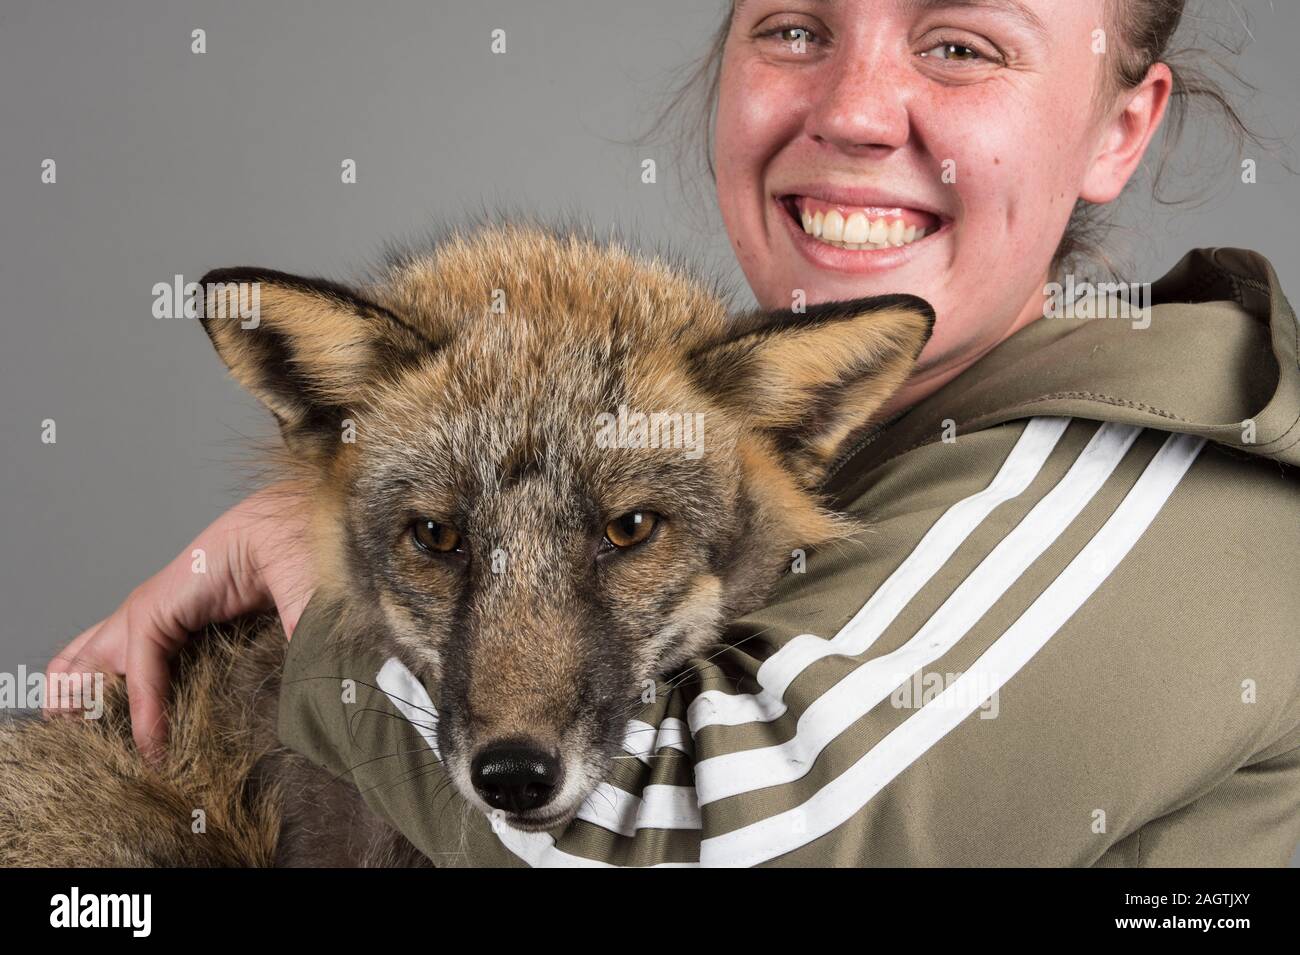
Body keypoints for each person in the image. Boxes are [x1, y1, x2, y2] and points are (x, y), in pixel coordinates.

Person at [48, 0, 1300, 865]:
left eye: (964, 43)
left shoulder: (1159, 484)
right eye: (795, 29)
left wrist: (316, 588)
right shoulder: (830, 453)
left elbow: (712, 848)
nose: (858, 112)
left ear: (1121, 126)